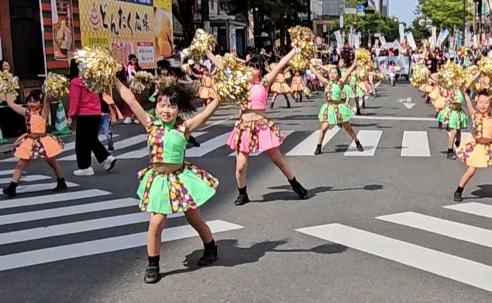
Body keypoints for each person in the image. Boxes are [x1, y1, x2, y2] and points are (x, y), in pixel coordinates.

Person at [114, 77, 222, 284]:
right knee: (156, 222)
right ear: (155, 107)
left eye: (171, 106)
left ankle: (211, 248)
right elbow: (130, 100)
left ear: (179, 109)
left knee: (195, 219)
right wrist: (114, 80)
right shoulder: (150, 124)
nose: (166, 110)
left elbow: (207, 113)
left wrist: (222, 95)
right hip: (159, 179)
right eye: (161, 105)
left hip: (180, 179)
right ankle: (153, 264)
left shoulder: (184, 127)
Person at [205, 49, 309, 205]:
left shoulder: (265, 81)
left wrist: (295, 50)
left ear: (260, 70)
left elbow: (281, 63)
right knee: (240, 165)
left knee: (278, 160)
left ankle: (296, 185)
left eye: (255, 67)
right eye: (250, 67)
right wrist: (208, 52)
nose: (252, 70)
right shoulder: (240, 81)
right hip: (245, 126)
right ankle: (242, 193)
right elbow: (223, 67)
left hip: (261, 125)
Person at [2, 90, 68, 197]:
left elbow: (47, 100)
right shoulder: (26, 112)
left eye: (35, 101)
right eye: (29, 101)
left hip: (43, 140)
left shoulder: (43, 112)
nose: (31, 104)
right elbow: (11, 104)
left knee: (53, 162)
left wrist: (50, 88)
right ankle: (12, 186)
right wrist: (6, 89)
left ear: (40, 103)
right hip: (29, 140)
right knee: (21, 164)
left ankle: (61, 181)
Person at [453, 90, 492, 201]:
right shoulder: (474, 115)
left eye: (486, 102)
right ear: (476, 103)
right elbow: (467, 99)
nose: (483, 105)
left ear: (490, 104)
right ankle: (459, 190)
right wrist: (464, 91)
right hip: (478, 147)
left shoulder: (491, 116)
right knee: (471, 170)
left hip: (490, 147)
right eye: (480, 102)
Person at [67, 64, 116, 176]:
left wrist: (70, 116)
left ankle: (85, 166)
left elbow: (75, 100)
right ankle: (106, 157)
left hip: (84, 114)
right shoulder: (93, 80)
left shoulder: (76, 82)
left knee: (81, 142)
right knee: (91, 139)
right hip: (96, 113)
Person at [308, 62, 364, 155]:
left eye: (334, 73)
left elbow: (348, 72)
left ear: (338, 75)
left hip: (339, 108)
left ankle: (357, 142)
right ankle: (318, 146)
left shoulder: (340, 83)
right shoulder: (326, 83)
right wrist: (309, 66)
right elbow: (317, 74)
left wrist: (354, 63)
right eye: (330, 73)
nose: (332, 75)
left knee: (348, 128)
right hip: (329, 107)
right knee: (324, 128)